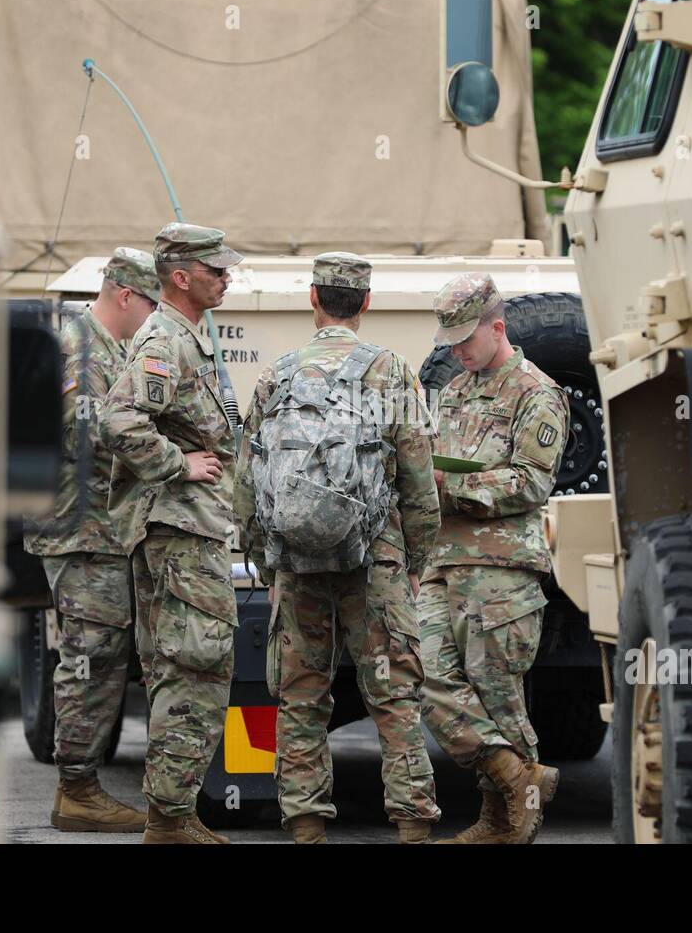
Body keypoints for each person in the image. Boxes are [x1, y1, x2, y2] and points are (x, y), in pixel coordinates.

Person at [234, 252, 442, 844]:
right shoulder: (391, 373)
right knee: (394, 694)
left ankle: (304, 825)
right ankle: (411, 824)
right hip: (374, 557)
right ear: (366, 304)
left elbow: (247, 483)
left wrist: (266, 558)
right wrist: (415, 564)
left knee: (301, 695)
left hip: (295, 560)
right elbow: (418, 480)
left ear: (312, 299)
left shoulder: (277, 375)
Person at [100, 223, 242, 844]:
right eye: (216, 269)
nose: (226, 277)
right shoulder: (166, 338)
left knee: (179, 668)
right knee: (196, 670)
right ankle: (172, 819)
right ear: (180, 277)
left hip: (186, 529)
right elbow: (121, 419)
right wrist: (175, 464)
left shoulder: (184, 336)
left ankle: (172, 814)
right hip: (181, 531)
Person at [417, 272, 570, 844]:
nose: (456, 350)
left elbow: (532, 483)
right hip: (441, 561)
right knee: (423, 672)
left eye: (465, 338)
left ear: (497, 327)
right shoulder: (453, 391)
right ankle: (515, 776)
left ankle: (503, 819)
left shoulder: (537, 392)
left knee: (495, 692)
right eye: (450, 340)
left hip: (501, 568)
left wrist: (453, 487)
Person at [26, 248, 160, 832]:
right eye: (151, 303)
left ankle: (78, 787)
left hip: (99, 530)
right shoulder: (81, 345)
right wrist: (161, 449)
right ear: (125, 295)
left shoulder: (103, 345)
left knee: (102, 657)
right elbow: (86, 430)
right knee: (90, 657)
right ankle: (77, 788)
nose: (154, 316)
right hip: (83, 531)